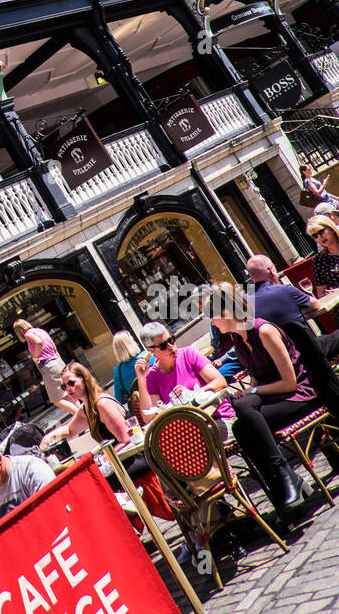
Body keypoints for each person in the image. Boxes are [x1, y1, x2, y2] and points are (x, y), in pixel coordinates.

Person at [213, 304, 321, 513]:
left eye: (213, 316)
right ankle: (284, 487)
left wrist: (252, 392)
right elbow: (257, 374)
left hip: (298, 393)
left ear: (227, 312)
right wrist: (251, 390)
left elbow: (290, 383)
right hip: (273, 396)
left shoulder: (264, 331)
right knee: (240, 426)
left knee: (245, 422)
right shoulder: (238, 339)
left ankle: (285, 479)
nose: (213, 323)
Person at [135, 323, 234, 437]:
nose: (171, 346)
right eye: (163, 345)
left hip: (217, 419)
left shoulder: (188, 354)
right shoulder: (153, 376)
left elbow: (220, 382)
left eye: (171, 340)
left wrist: (192, 394)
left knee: (190, 442)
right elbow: (149, 418)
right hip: (187, 431)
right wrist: (141, 378)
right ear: (151, 351)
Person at [13, 318, 67, 406]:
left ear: (19, 331)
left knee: (56, 399)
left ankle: (78, 413)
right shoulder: (40, 331)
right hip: (58, 362)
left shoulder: (28, 334)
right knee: (68, 393)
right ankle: (83, 415)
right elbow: (54, 348)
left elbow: (38, 342)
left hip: (49, 366)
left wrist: (34, 357)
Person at [111, 331, 150, 406]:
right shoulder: (149, 356)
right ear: (132, 343)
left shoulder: (117, 372)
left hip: (142, 410)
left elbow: (120, 400)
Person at [306, 216, 339, 295]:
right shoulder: (318, 261)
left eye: (321, 232)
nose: (320, 237)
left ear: (331, 228)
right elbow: (321, 293)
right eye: (315, 236)